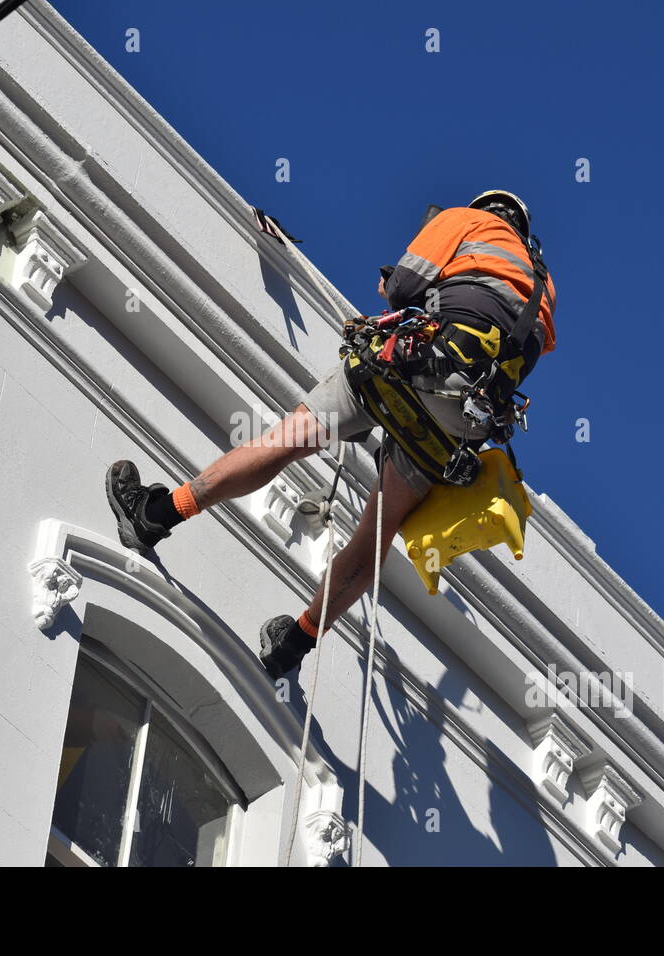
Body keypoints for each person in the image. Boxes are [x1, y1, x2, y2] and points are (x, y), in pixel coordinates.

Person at [107, 190, 557, 678]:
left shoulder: (467, 221)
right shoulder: (544, 286)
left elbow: (407, 285)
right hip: (463, 421)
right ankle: (293, 645)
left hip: (412, 367)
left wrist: (393, 287)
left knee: (287, 440)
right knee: (375, 536)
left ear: (487, 208)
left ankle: (154, 514)